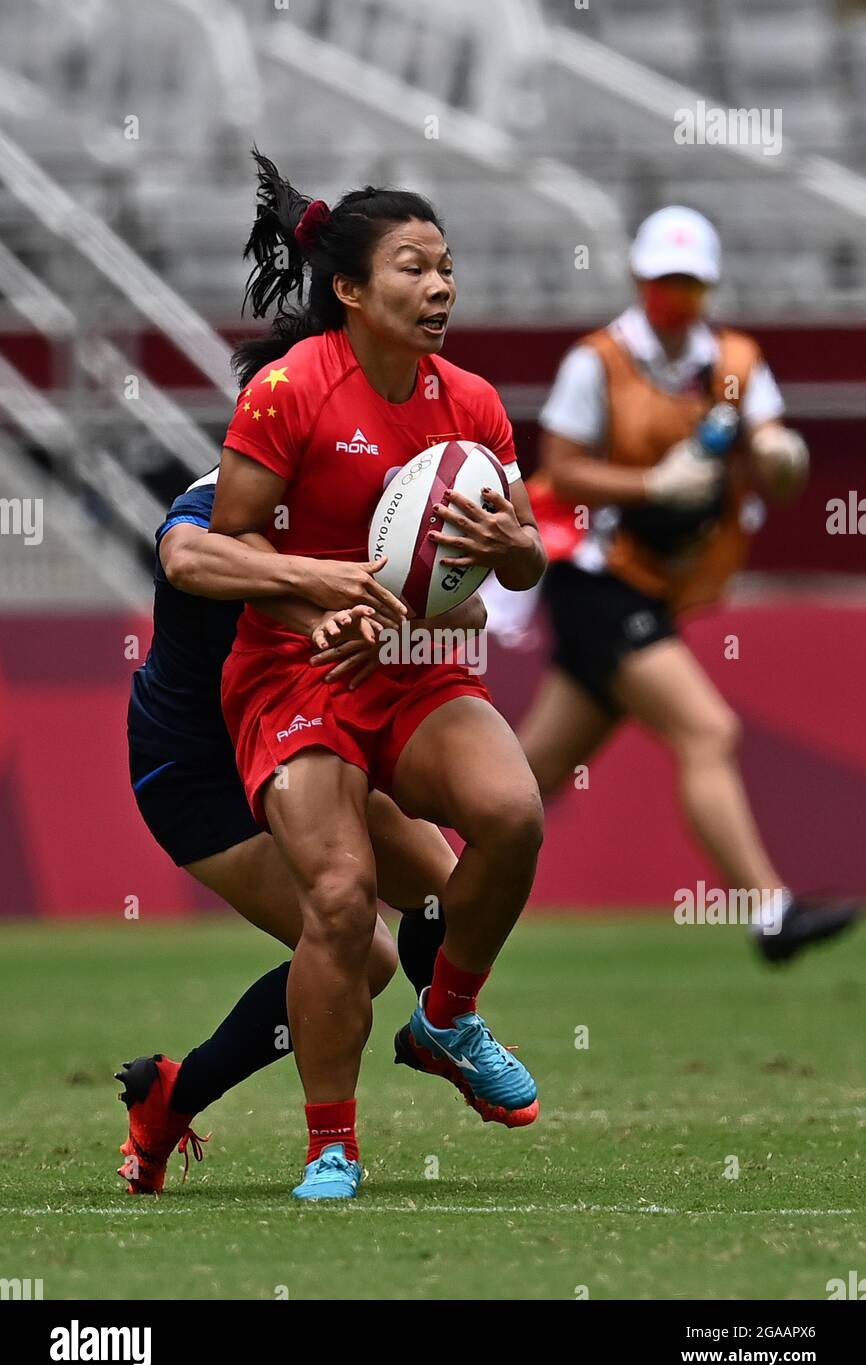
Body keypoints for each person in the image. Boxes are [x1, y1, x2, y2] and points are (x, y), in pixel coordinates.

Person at [210, 151, 546, 1200]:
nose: (439, 287)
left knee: (514, 813)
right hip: (297, 673)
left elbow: (523, 562)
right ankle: (330, 1146)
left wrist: (512, 543)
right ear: (349, 290)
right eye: (412, 268)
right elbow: (224, 555)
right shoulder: (288, 392)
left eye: (446, 268)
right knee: (344, 898)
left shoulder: (474, 405)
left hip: (417, 669)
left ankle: (445, 1018)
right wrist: (327, 595)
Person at [517, 205, 860, 961]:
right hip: (594, 578)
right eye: (665, 281)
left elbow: (768, 441)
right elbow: (562, 469)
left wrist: (781, 456)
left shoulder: (733, 362)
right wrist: (650, 485)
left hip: (651, 588)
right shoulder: (598, 361)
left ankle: (411, 886)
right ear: (641, 281)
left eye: (691, 283)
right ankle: (771, 912)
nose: (677, 297)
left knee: (524, 779)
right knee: (708, 730)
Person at [119, 467, 461, 1194]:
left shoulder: (371, 492)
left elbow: (468, 618)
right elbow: (182, 557)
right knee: (362, 953)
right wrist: (317, 580)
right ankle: (173, 1099)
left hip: (293, 734)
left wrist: (480, 565)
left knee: (445, 894)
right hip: (198, 771)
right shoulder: (225, 492)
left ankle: (444, 1031)